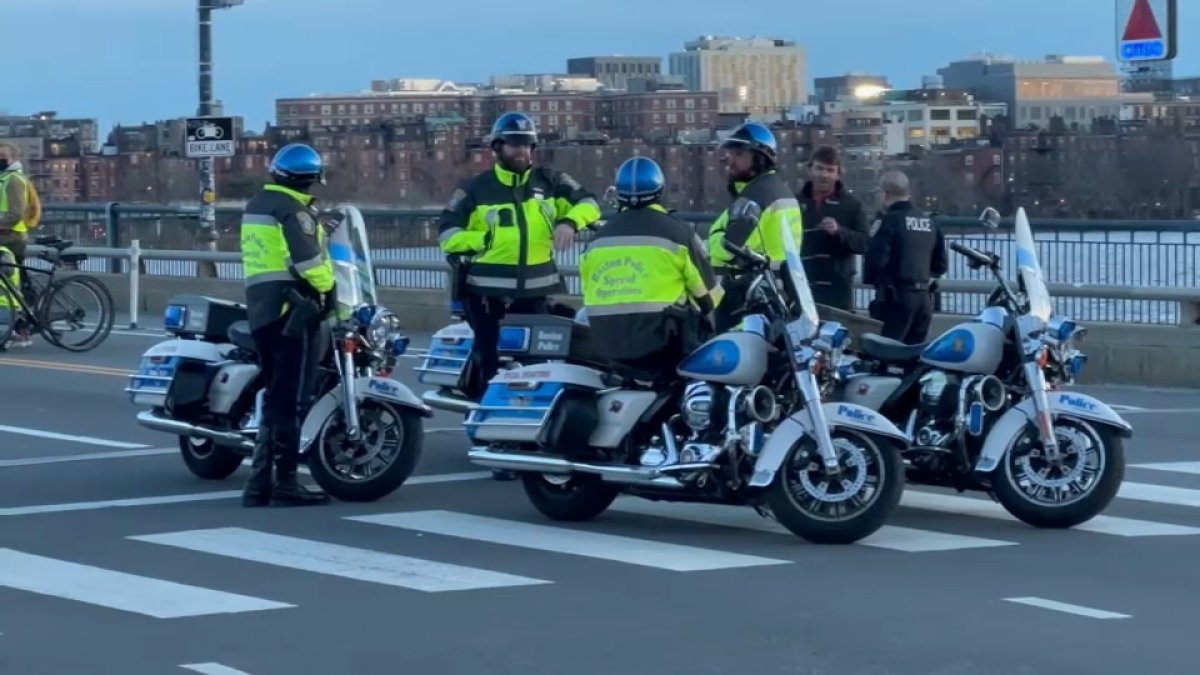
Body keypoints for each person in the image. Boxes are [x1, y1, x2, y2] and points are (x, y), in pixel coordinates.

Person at [438, 111, 601, 479]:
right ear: (497, 147)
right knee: (492, 365)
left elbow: (589, 202)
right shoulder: (475, 190)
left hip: (537, 292)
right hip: (487, 293)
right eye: (514, 144)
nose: (522, 150)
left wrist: (569, 221)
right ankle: (492, 439)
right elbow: (447, 234)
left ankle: (526, 438)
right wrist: (485, 240)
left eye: (527, 144)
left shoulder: (551, 181)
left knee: (537, 368)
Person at [239, 143, 336, 507]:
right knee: (292, 400)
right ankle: (287, 483)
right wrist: (330, 287)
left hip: (263, 310)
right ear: (311, 178)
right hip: (293, 311)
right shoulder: (293, 212)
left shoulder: (258, 205)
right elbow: (310, 262)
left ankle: (259, 483)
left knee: (276, 396)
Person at [581, 156, 721, 376]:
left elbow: (588, 289)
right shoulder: (678, 232)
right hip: (661, 347)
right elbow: (710, 297)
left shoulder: (597, 240)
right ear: (660, 190)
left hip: (607, 346)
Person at [706, 122, 803, 331]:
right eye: (731, 154)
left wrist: (713, 239)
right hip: (779, 292)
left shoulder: (754, 198)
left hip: (748, 296)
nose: (730, 160)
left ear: (760, 158)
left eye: (739, 154)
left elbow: (725, 250)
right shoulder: (782, 191)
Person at [863, 170, 948, 345]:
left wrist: (878, 282)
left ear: (885, 193)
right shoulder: (929, 222)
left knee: (885, 352)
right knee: (912, 358)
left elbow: (874, 262)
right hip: (924, 300)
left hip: (895, 299)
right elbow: (940, 265)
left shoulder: (888, 221)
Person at [797, 145, 870, 311]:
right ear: (810, 170)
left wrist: (839, 232)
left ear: (838, 175)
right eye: (819, 168)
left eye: (830, 170)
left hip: (837, 294)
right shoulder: (793, 202)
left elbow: (865, 243)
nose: (823, 175)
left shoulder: (851, 205)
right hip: (802, 290)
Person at [0, 143, 42, 349]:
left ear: (12, 158)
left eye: (3, 156)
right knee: (15, 285)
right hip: (4, 236)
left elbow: (15, 213)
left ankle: (19, 329)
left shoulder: (14, 180)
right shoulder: (3, 179)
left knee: (13, 286)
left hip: (12, 238)